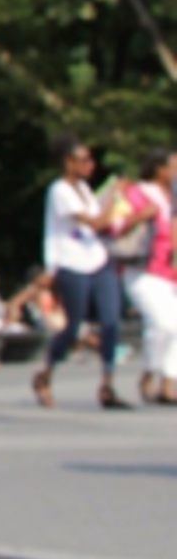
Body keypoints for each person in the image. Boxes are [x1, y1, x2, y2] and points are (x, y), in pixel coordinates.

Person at [35, 138, 130, 411]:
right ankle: (47, 373)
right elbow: (96, 221)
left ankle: (108, 383)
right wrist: (115, 195)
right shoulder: (60, 191)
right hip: (72, 262)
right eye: (84, 160)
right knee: (73, 325)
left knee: (111, 321)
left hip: (96, 259)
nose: (90, 165)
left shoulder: (85, 190)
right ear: (69, 162)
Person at [113, 147, 177, 406]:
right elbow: (116, 226)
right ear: (159, 169)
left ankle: (166, 382)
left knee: (171, 326)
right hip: (142, 271)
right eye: (172, 166)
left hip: (168, 271)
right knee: (164, 324)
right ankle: (151, 373)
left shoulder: (172, 196)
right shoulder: (136, 192)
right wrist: (141, 216)